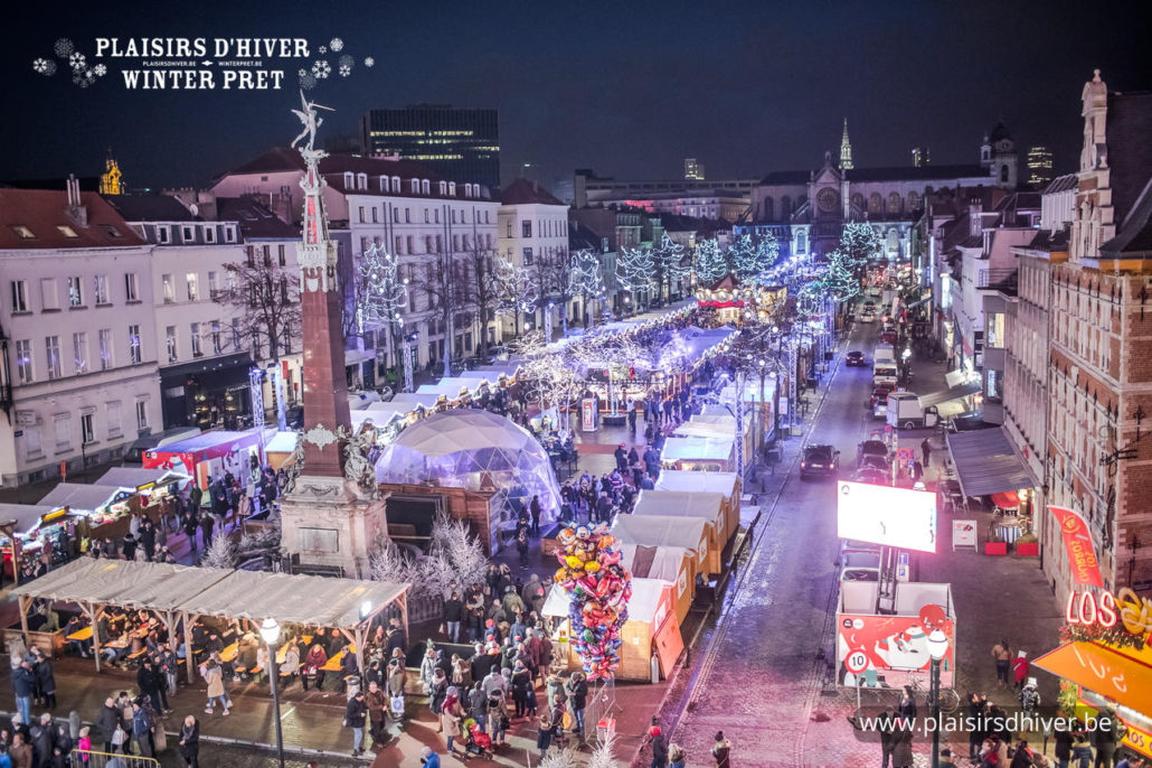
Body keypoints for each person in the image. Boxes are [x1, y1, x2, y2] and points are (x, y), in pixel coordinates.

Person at [344, 689, 368, 757]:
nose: (363, 699)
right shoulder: (351, 703)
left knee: (360, 735)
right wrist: (359, 714)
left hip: (360, 722)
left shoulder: (360, 701)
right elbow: (349, 715)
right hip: (354, 722)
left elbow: (364, 706)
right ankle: (356, 749)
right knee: (358, 735)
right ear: (358, 697)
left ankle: (359, 747)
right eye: (362, 698)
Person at [10, 661, 34, 725]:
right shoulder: (23, 672)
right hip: (25, 693)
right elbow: (31, 679)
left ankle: (23, 720)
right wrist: (31, 672)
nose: (28, 666)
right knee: (26, 708)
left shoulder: (14, 672)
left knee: (21, 708)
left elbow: (12, 683)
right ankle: (27, 721)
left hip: (18, 693)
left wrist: (15, 691)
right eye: (27, 665)